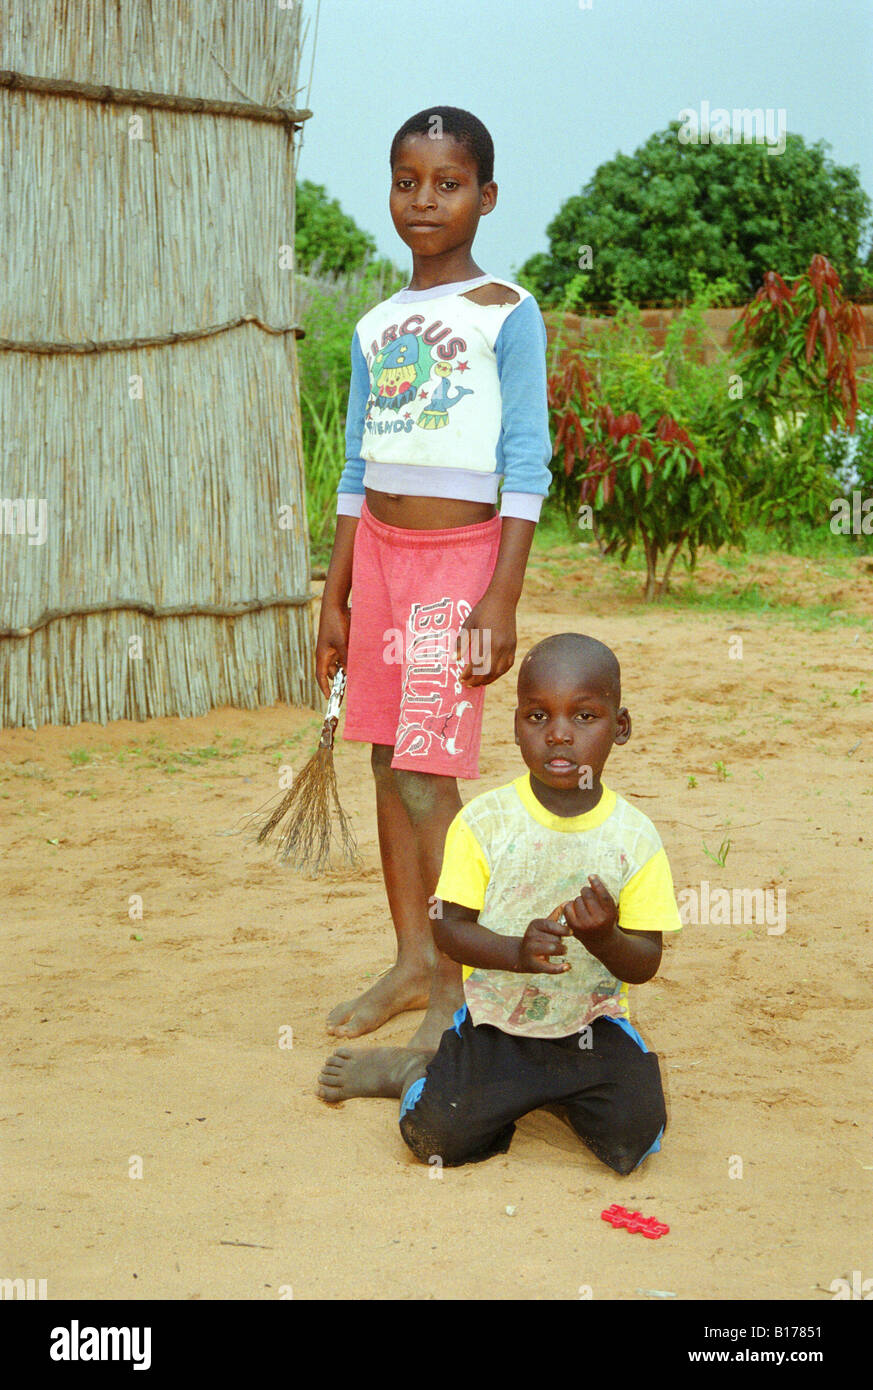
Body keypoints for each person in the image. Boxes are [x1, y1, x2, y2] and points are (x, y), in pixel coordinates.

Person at [316, 107, 552, 1047]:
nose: (424, 200)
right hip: (376, 558)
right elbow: (352, 466)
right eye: (406, 180)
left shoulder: (506, 311)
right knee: (385, 758)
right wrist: (333, 595)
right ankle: (410, 960)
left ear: (484, 197)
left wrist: (499, 595)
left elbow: (526, 461)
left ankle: (454, 984)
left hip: (457, 567)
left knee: (426, 770)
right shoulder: (376, 325)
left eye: (447, 183)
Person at [318, 634, 682, 1176]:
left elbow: (646, 961)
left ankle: (552, 1092)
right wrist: (516, 951)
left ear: (620, 727)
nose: (559, 734)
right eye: (538, 715)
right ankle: (416, 1071)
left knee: (636, 1140)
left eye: (584, 716)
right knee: (436, 1136)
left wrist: (606, 938)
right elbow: (448, 929)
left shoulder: (635, 838)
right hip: (497, 1028)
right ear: (516, 727)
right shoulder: (485, 824)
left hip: (591, 1029)